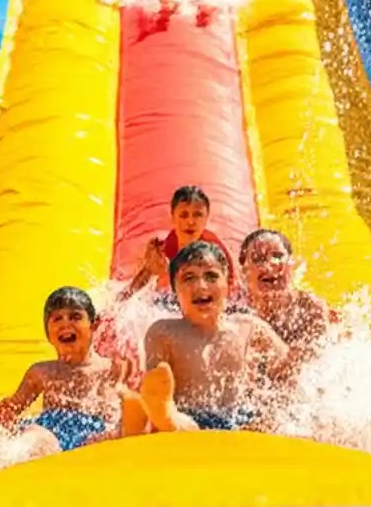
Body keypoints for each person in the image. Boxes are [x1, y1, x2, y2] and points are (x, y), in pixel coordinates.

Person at [0, 286, 136, 482]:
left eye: (75, 317)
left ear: (93, 325)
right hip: (51, 434)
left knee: (102, 439)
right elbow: (13, 408)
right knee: (31, 438)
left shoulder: (112, 369)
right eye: (57, 319)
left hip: (92, 437)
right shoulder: (41, 372)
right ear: (48, 333)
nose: (66, 324)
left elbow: (124, 411)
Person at [119, 241, 295, 435]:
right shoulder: (163, 332)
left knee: (268, 421)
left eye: (211, 276)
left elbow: (289, 368)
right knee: (179, 423)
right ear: (174, 291)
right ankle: (162, 413)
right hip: (187, 419)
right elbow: (158, 379)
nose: (201, 285)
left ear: (227, 284)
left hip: (239, 419)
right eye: (188, 278)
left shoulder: (249, 327)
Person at [125, 185, 238, 301]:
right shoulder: (170, 244)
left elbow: (218, 300)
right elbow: (138, 285)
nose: (190, 222)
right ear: (173, 217)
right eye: (183, 215)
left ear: (206, 218)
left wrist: (165, 277)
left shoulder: (214, 254)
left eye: (198, 215)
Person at [239, 229, 332, 355]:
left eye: (278, 256)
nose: (270, 265)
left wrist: (269, 337)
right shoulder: (238, 314)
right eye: (258, 259)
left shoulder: (310, 308)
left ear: (292, 265)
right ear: (244, 273)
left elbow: (316, 364)